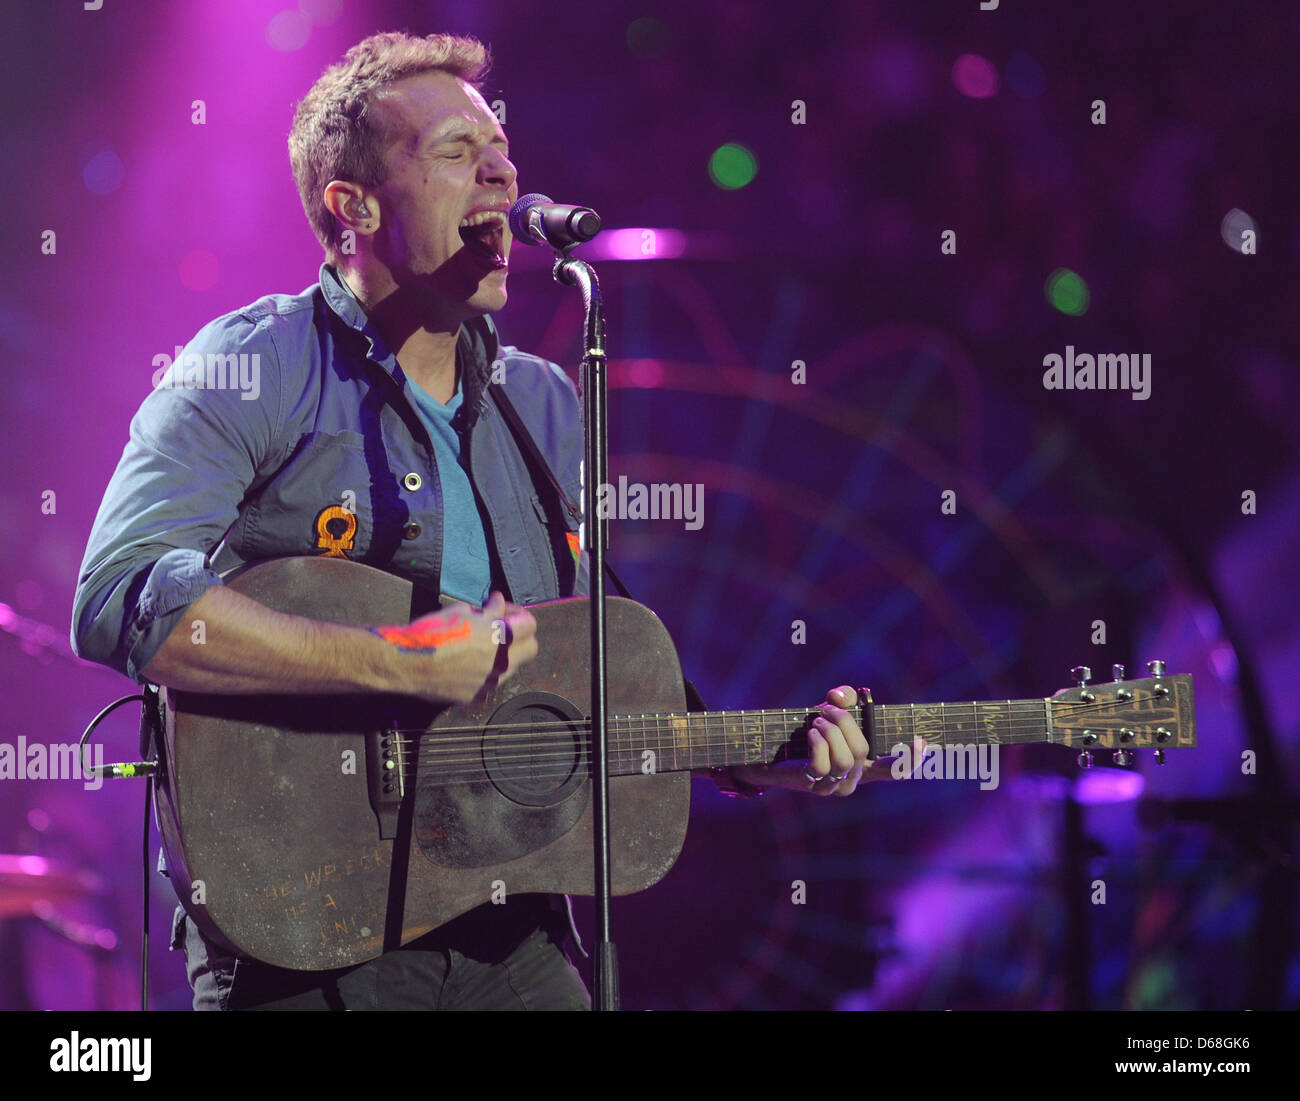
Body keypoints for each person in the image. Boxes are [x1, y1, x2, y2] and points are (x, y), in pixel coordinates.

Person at [71, 31, 880, 1012]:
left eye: (503, 152)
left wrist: (753, 757)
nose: (500, 170)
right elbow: (121, 598)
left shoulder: (541, 404)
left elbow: (573, 674)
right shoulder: (248, 371)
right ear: (353, 206)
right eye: (456, 152)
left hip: (515, 931)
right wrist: (394, 664)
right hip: (302, 934)